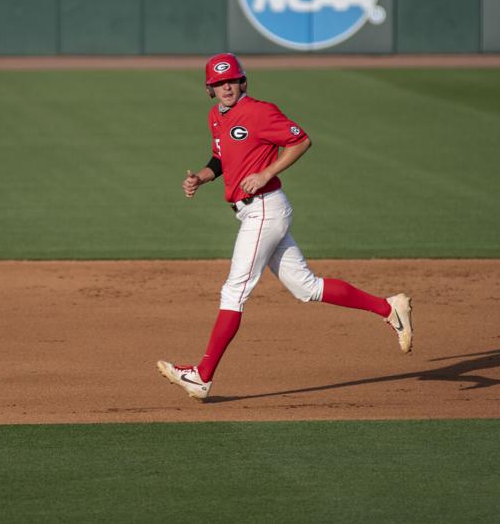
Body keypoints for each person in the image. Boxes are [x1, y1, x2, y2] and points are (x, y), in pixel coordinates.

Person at [157, 53, 413, 401]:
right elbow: (221, 158)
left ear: (242, 81)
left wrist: (266, 173)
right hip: (253, 212)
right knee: (306, 287)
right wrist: (201, 178)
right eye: (219, 83)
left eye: (231, 80)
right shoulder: (215, 117)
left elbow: (301, 140)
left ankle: (202, 376)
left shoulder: (261, 111)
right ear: (210, 89)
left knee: (234, 291)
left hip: (265, 209)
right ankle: (389, 308)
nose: (226, 87)